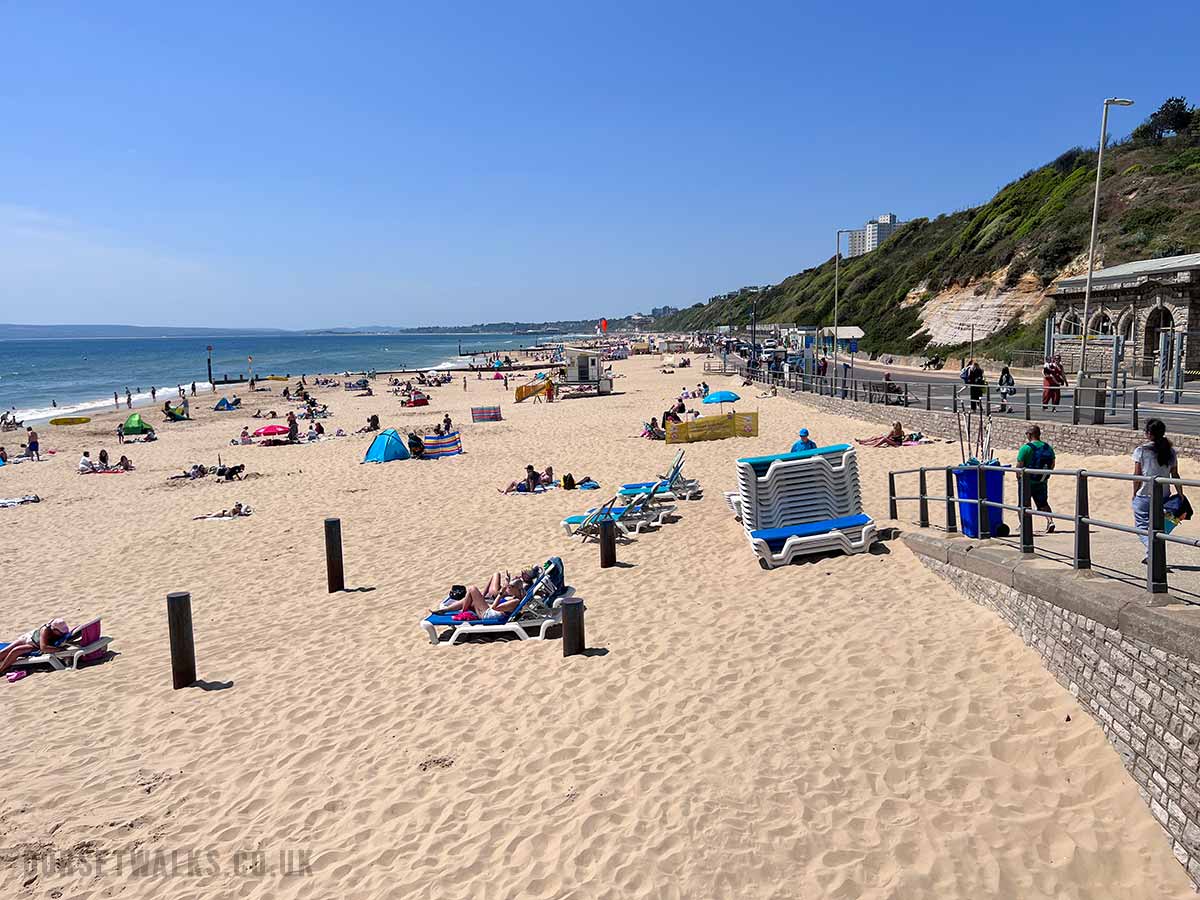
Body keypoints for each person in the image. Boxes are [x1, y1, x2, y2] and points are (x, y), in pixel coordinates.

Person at [1133, 419, 1186, 565]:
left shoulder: (1141, 450)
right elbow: (1175, 474)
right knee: (1160, 525)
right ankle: (1151, 554)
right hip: (1164, 495)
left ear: (1149, 434)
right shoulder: (1171, 451)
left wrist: (1134, 493)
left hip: (1144, 494)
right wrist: (1180, 493)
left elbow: (1137, 475)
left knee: (1141, 526)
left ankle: (1153, 552)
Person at [432, 567, 540, 619]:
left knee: (472, 589)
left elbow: (494, 608)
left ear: (516, 590)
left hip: (487, 615)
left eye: (510, 587)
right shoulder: (517, 597)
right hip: (490, 611)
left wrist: (500, 595)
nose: (507, 587)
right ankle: (446, 610)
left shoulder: (515, 601)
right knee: (471, 597)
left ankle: (462, 613)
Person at [1016, 425, 1056, 532]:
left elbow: (1019, 465)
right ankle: (1050, 521)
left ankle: (1023, 525)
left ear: (1030, 434)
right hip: (1041, 480)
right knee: (1043, 503)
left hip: (1027, 481)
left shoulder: (1025, 448)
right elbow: (1052, 464)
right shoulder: (1048, 447)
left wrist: (1018, 479)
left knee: (1022, 504)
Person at [0, 618, 73, 675]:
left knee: (15, 651)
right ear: (54, 629)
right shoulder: (45, 630)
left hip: (34, 647)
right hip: (28, 638)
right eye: (60, 632)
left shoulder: (62, 631)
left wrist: (61, 650)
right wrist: (60, 649)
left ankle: (1, 669)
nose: (62, 633)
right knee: (5, 651)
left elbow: (42, 648)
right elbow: (44, 647)